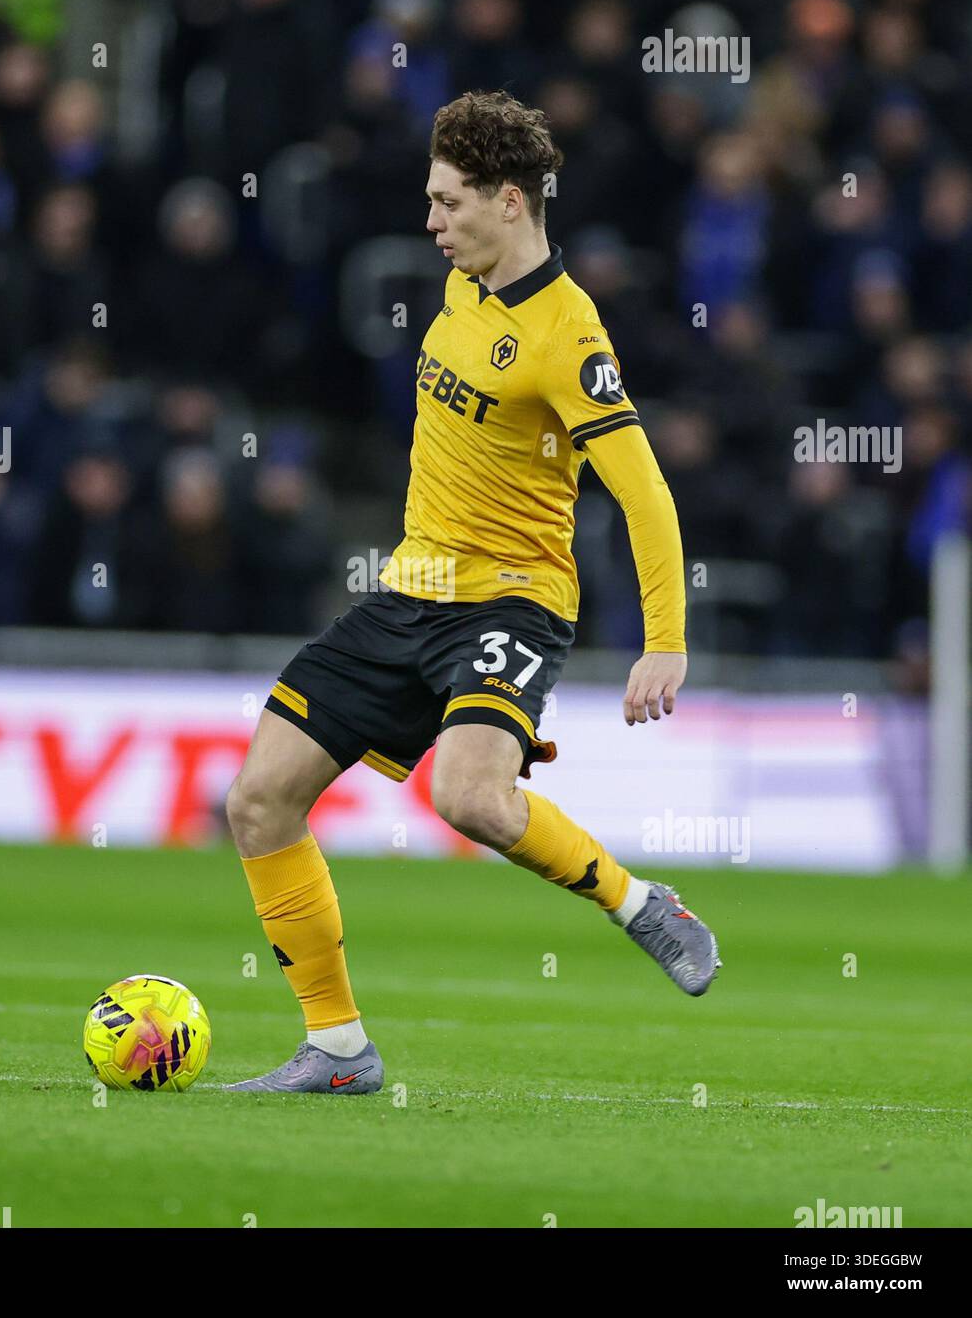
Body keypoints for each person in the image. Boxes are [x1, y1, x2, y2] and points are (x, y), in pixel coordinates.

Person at [224, 90, 721, 1095]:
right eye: (428, 199)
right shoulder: (461, 286)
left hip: (511, 601)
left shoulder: (568, 338)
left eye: (448, 203)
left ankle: (637, 903)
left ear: (507, 202)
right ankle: (337, 1049)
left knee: (468, 796)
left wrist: (664, 638)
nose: (430, 223)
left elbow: (646, 493)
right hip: (409, 590)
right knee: (258, 798)